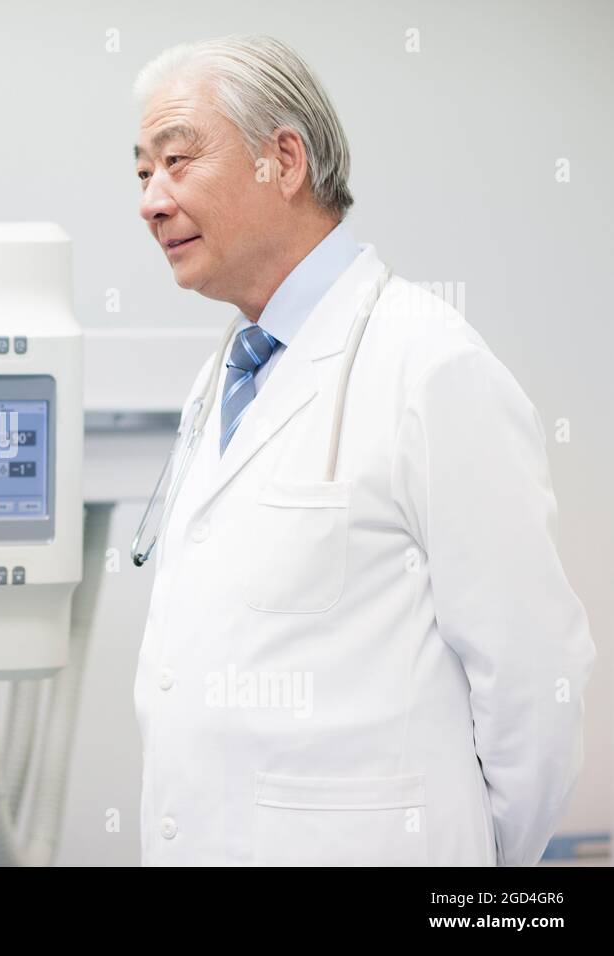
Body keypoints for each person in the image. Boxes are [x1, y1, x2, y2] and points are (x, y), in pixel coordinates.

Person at [130, 35, 594, 866]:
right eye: (141, 174)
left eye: (176, 161)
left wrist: (474, 864)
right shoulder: (228, 377)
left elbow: (536, 674)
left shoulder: (429, 366)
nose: (151, 201)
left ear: (284, 159)